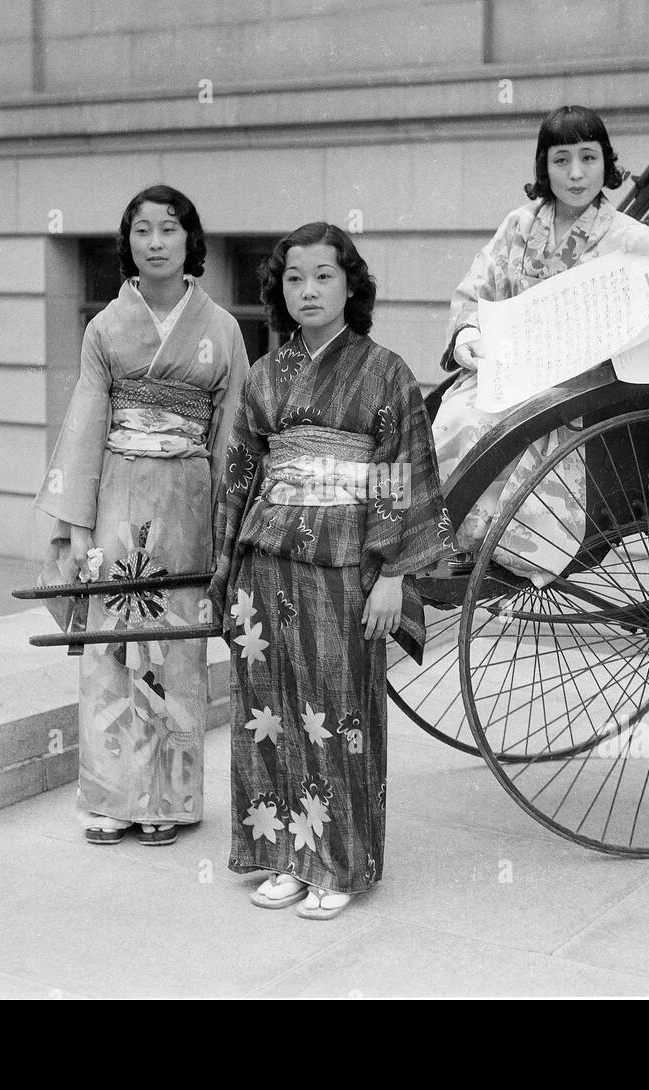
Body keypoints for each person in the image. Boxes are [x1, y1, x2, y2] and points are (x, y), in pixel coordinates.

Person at [209, 223, 454, 919]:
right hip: (268, 561)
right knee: (267, 711)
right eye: (293, 278)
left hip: (345, 561)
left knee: (334, 710)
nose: (307, 290)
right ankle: (281, 853)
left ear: (351, 285)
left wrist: (394, 574)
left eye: (322, 276)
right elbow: (240, 480)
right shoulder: (262, 378)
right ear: (278, 290)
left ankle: (337, 863)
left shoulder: (386, 372)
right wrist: (225, 567)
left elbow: (400, 479)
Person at [34, 185, 249, 846]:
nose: (155, 243)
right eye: (142, 231)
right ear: (127, 242)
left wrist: (229, 526)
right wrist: (72, 530)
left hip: (186, 498)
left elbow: (234, 433)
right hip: (116, 499)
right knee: (110, 650)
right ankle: (107, 796)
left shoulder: (220, 329)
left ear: (191, 241)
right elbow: (83, 429)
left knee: (175, 649)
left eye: (169, 230)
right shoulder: (106, 329)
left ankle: (167, 798)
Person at [433, 104, 649, 582]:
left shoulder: (631, 239)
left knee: (530, 430)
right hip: (508, 369)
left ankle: (505, 548)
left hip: (579, 385)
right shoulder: (519, 227)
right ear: (543, 167)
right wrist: (469, 334)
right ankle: (454, 536)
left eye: (588, 158)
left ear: (607, 164)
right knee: (457, 418)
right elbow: (475, 293)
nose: (575, 173)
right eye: (561, 159)